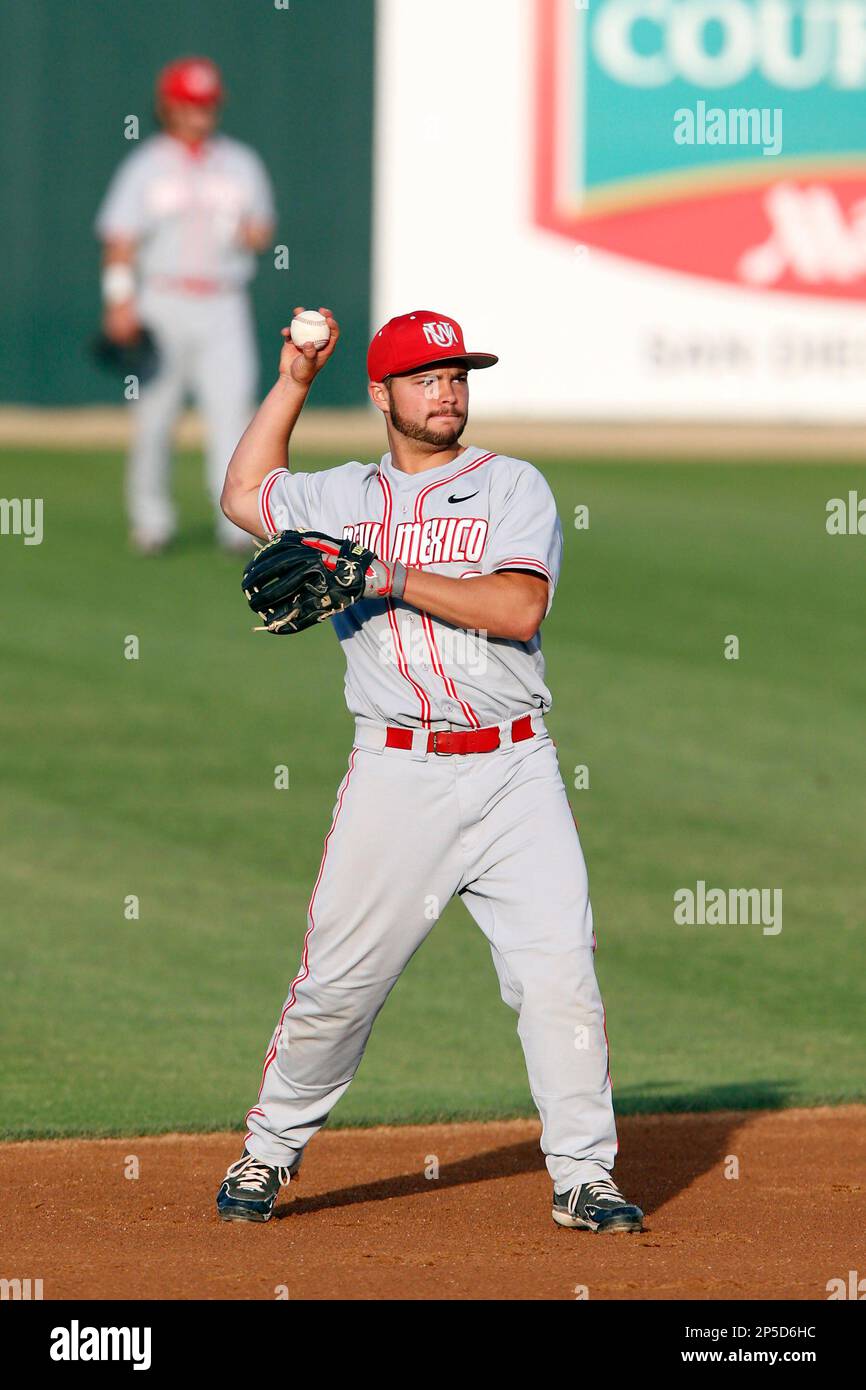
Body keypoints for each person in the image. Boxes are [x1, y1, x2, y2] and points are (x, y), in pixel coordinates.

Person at [215, 307, 644, 1233]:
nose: (447, 391)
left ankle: (584, 1173)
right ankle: (269, 1151)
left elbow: (519, 607)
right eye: (425, 378)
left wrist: (385, 577)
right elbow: (244, 493)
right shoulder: (336, 498)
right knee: (338, 985)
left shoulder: (510, 486)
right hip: (396, 777)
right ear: (381, 395)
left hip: (514, 773)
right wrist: (294, 376)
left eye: (457, 376)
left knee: (560, 975)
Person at [94, 56, 275, 553]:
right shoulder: (146, 165)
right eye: (191, 104)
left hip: (222, 300)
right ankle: (151, 519)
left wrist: (245, 230)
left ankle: (236, 524)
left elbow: (262, 230)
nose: (201, 114)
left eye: (208, 105)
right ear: (168, 107)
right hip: (163, 298)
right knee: (155, 414)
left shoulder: (239, 162)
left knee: (234, 414)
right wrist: (119, 302)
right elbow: (119, 239)